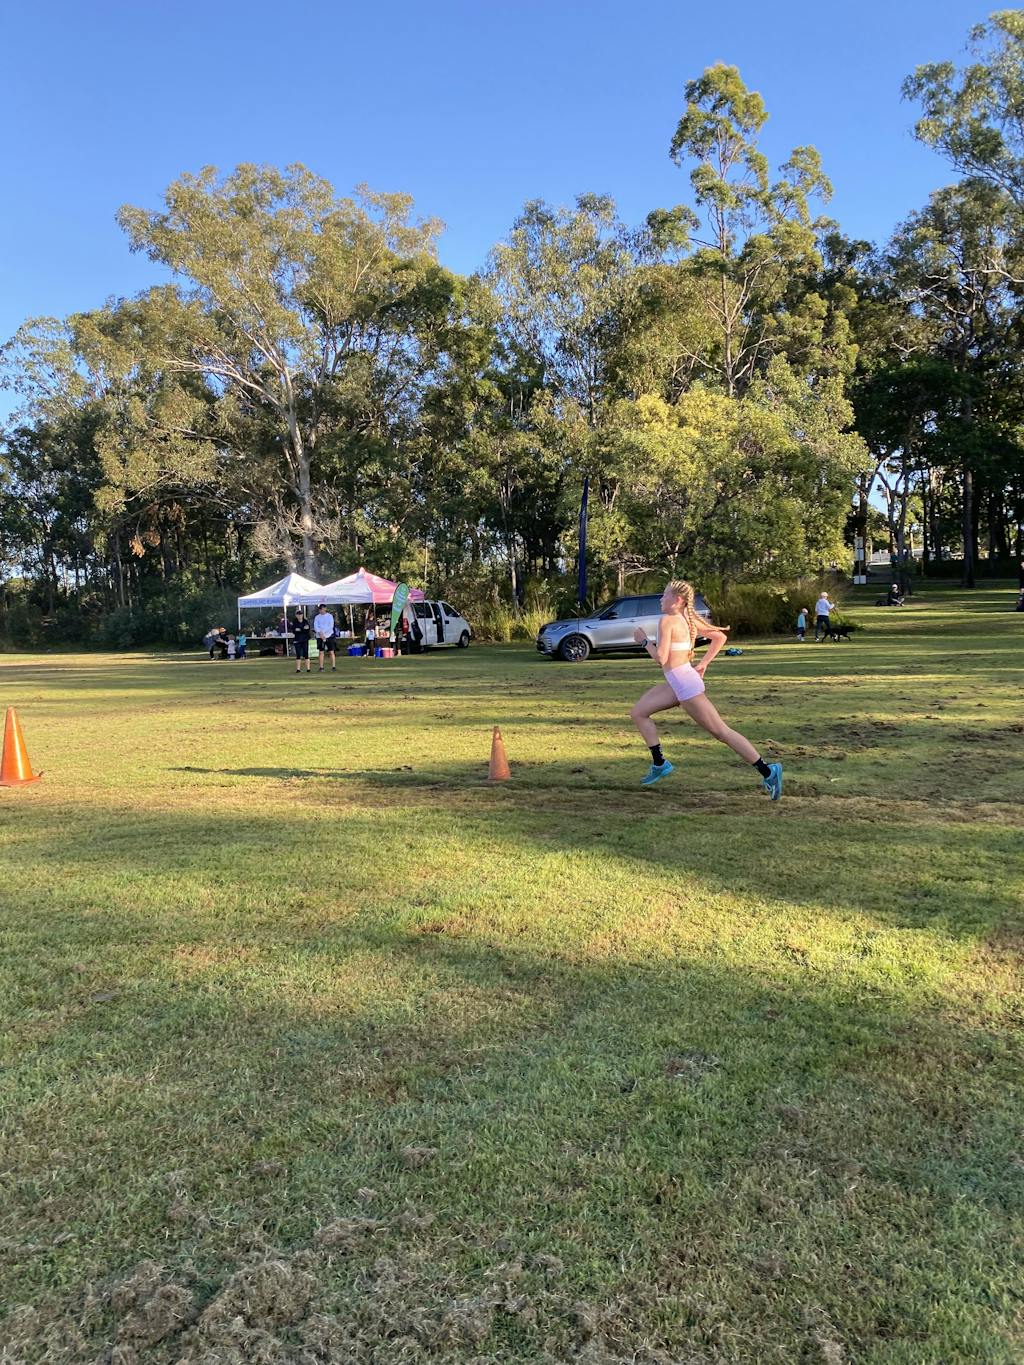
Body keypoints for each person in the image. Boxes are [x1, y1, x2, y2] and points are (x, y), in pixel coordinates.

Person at [629, 579, 782, 800]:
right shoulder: (687, 619)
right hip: (680, 681)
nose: (661, 599)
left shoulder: (669, 621)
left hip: (685, 686)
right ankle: (660, 763)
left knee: (722, 732)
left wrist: (643, 641)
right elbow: (720, 637)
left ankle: (769, 771)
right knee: (639, 713)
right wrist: (703, 664)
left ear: (677, 600)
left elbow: (661, 659)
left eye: (664, 595)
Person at [313, 603, 337, 672]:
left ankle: (333, 666)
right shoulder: (317, 617)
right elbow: (316, 626)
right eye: (321, 609)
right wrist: (320, 633)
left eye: (323, 609)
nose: (322, 611)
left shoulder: (329, 616)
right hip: (319, 636)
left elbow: (330, 626)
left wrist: (324, 633)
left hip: (329, 635)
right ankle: (321, 667)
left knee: (331, 651)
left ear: (325, 609)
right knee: (321, 652)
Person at [292, 609, 312, 673]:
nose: (299, 616)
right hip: (297, 639)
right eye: (298, 614)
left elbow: (307, 630)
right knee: (298, 654)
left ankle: (308, 669)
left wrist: (300, 629)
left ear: (302, 615)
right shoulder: (294, 622)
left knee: (306, 654)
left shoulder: (305, 621)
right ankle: (298, 669)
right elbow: (294, 631)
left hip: (305, 639)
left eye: (300, 614)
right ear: (296, 615)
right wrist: (302, 629)